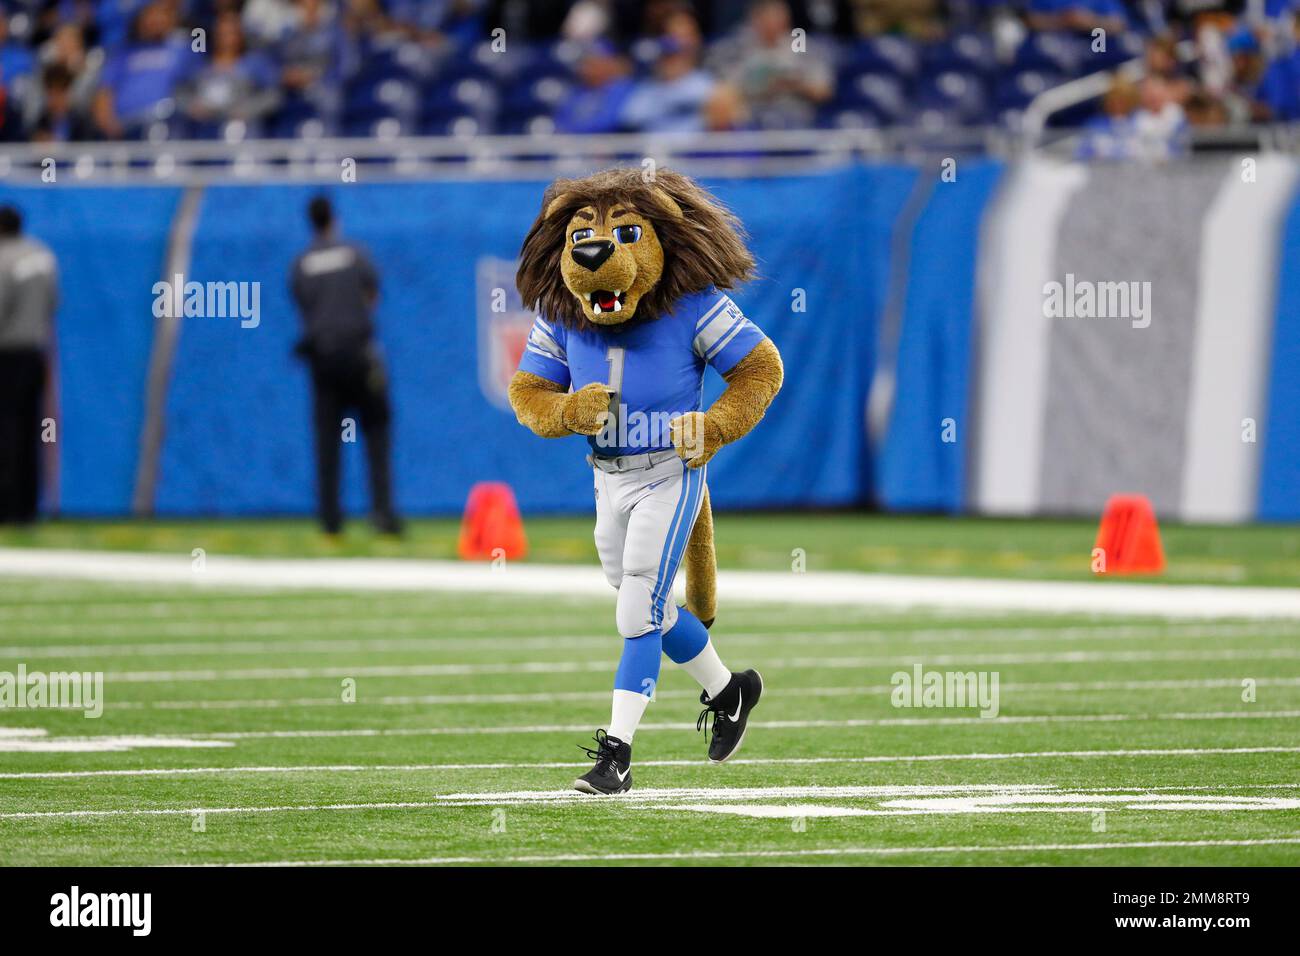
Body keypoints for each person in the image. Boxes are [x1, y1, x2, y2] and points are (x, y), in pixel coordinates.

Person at [289, 195, 402, 537]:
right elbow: (372, 295)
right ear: (333, 219)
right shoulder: (354, 254)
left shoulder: (302, 263)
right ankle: (381, 513)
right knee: (376, 431)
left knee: (327, 439)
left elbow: (304, 306)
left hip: (323, 358)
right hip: (359, 354)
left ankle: (330, 519)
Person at [0, 206, 58, 524]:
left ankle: (5, 506)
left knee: (5, 433)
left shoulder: (3, 258)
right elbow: (53, 303)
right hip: (34, 353)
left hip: (6, 355)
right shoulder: (41, 254)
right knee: (30, 430)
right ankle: (27, 506)